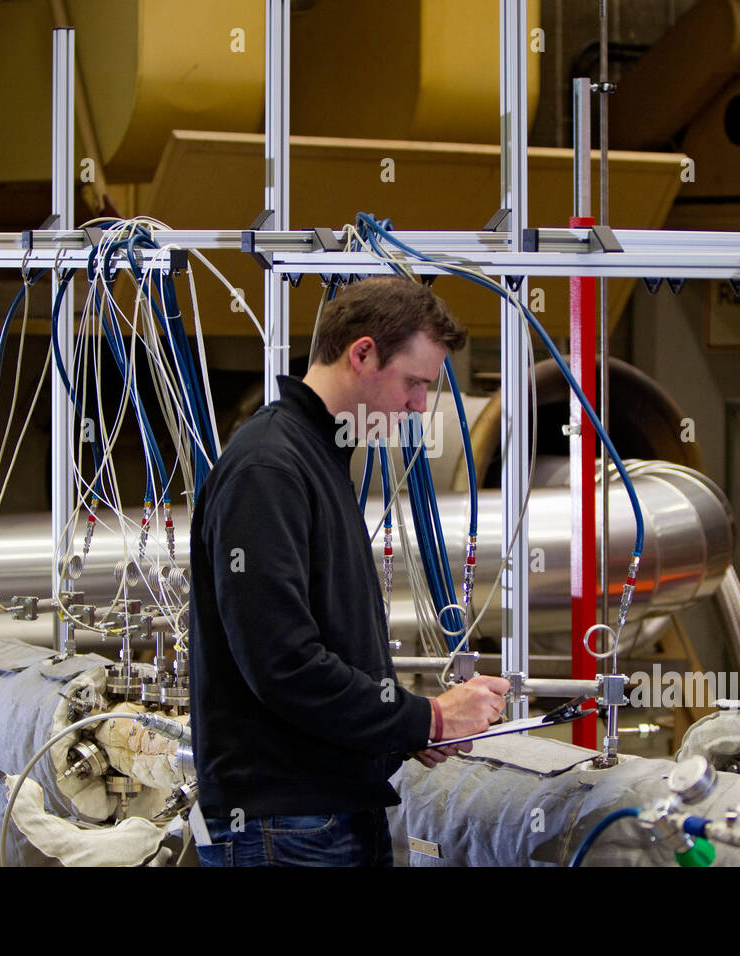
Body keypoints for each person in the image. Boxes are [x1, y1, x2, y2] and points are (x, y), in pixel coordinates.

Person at [189, 276, 510, 867]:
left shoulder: (316, 458)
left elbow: (322, 650)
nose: (419, 406)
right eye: (414, 383)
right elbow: (284, 665)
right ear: (362, 353)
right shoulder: (270, 467)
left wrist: (402, 730)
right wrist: (429, 717)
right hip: (284, 828)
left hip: (324, 815)